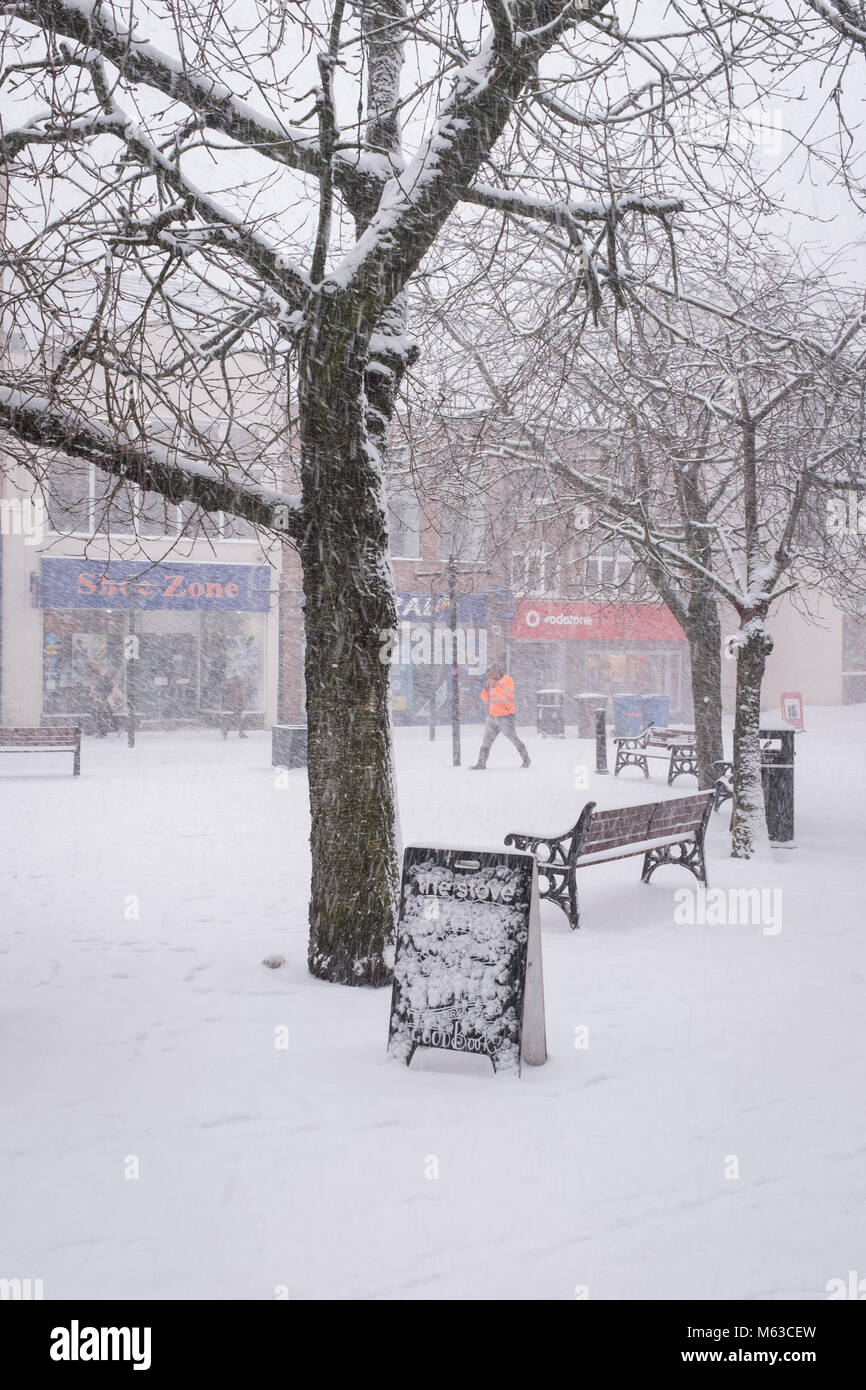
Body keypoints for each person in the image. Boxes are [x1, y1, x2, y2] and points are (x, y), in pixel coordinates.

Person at [470, 666, 530, 769]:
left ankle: (526, 759)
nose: (491, 677)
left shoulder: (507, 680)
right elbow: (485, 698)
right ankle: (481, 763)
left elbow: (506, 695)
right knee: (486, 741)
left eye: (492, 674)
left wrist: (495, 686)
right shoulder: (492, 683)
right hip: (492, 717)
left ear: (499, 672)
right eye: (489, 675)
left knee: (514, 739)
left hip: (506, 717)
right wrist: (486, 688)